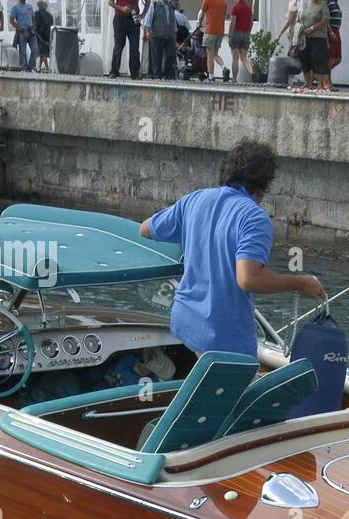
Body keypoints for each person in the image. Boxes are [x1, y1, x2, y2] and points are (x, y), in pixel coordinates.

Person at [139, 140, 325, 360]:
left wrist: (196, 235)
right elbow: (248, 279)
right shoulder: (255, 218)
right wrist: (300, 283)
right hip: (223, 339)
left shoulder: (195, 199)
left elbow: (146, 229)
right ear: (264, 184)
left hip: (183, 324)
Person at [108, 0, 149, 79]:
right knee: (119, 46)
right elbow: (110, 1)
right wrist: (121, 8)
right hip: (120, 19)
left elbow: (147, 0)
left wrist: (142, 14)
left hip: (133, 19)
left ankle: (135, 74)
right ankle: (114, 71)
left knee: (134, 48)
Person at [143, 0, 177, 80]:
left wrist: (174, 33)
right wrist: (147, 32)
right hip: (156, 34)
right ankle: (156, 75)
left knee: (170, 55)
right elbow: (148, 20)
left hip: (169, 35)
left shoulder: (171, 7)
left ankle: (167, 75)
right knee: (156, 57)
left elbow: (173, 20)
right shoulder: (154, 5)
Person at [198, 0, 227, 82]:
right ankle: (224, 67)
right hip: (220, 31)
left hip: (210, 30)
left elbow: (201, 14)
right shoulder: (223, 1)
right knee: (215, 54)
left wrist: (199, 24)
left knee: (210, 54)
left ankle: (210, 76)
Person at [229, 0, 253, 82]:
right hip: (246, 34)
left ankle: (234, 79)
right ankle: (251, 72)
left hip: (236, 34)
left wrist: (230, 35)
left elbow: (233, 22)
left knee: (235, 58)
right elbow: (251, 22)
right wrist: (248, 33)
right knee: (244, 58)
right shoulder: (249, 8)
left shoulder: (235, 7)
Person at [9, 0, 34, 72]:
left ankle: (31, 67)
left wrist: (34, 28)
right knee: (22, 50)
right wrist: (18, 27)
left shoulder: (29, 7)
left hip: (31, 30)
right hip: (22, 30)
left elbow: (33, 18)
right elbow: (11, 20)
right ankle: (23, 67)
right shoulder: (15, 7)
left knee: (35, 49)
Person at [325, 0, 342, 76]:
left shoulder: (335, 1)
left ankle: (322, 74)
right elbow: (325, 17)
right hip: (331, 31)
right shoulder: (328, 0)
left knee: (338, 59)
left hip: (337, 30)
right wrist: (330, 32)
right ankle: (327, 80)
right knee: (331, 57)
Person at [33, 0, 53, 72]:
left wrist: (34, 32)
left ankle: (47, 67)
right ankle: (39, 67)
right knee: (43, 52)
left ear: (38, 6)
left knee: (42, 52)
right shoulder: (49, 15)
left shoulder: (36, 14)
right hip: (48, 36)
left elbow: (35, 25)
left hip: (39, 35)